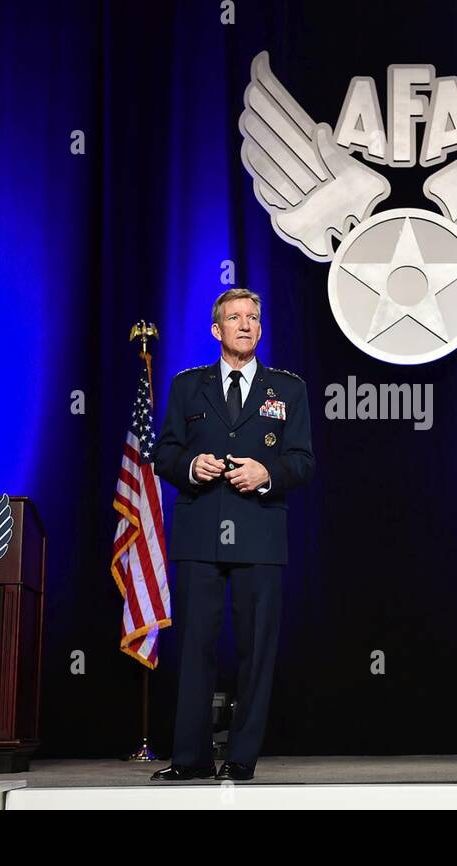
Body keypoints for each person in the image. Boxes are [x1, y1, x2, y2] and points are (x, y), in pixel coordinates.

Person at [149, 287, 315, 781]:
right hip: (201, 532)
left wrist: (267, 475)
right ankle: (190, 758)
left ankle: (241, 758)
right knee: (195, 648)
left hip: (260, 535)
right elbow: (163, 454)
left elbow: (303, 461)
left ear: (260, 330)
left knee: (255, 650)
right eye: (234, 318)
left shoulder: (288, 389)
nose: (245, 325)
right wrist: (190, 465)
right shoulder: (187, 387)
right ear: (215, 330)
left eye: (253, 318)